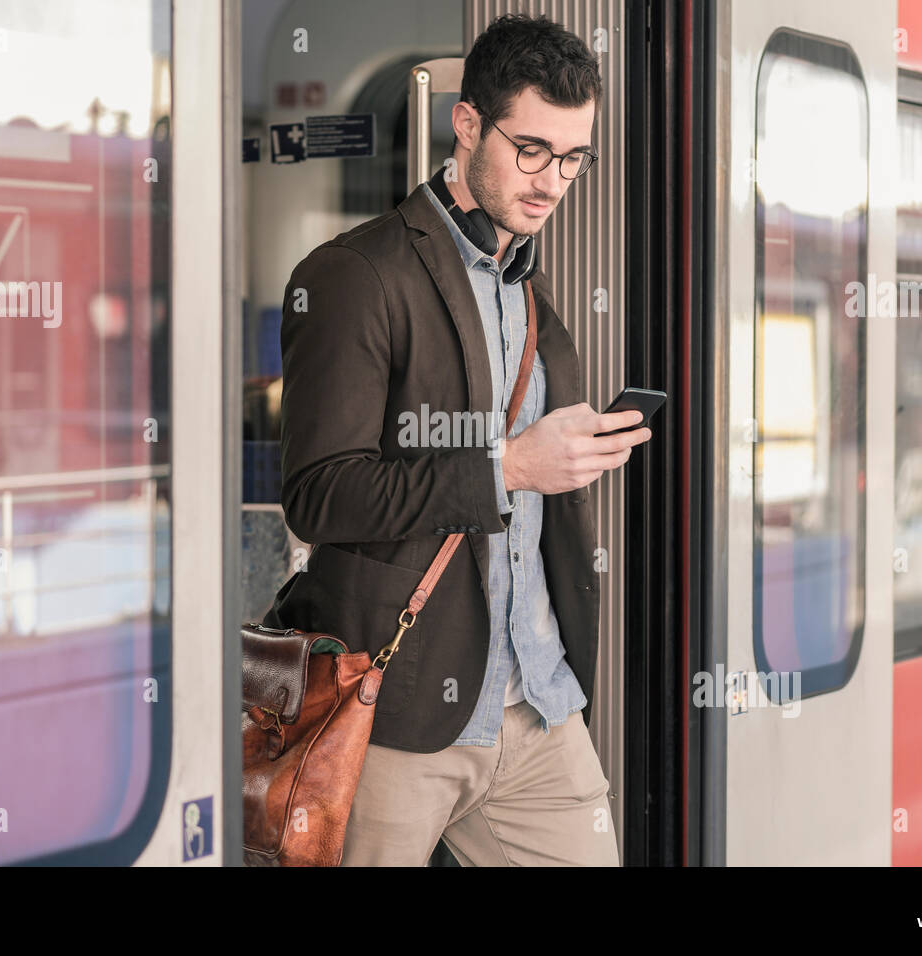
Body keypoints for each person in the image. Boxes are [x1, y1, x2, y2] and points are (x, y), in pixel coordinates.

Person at [263, 13, 651, 866]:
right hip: (398, 714)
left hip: (538, 702)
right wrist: (509, 464)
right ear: (466, 123)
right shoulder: (354, 276)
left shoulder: (534, 292)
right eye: (532, 149)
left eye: (575, 157)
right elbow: (320, 493)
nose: (554, 179)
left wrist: (577, 449)